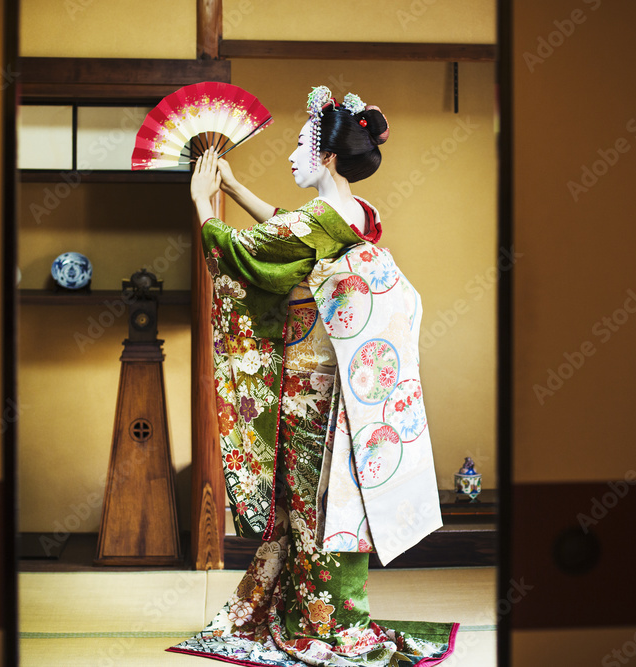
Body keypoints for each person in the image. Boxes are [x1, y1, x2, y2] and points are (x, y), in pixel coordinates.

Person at [169, 86, 456, 666]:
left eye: (301, 146)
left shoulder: (324, 218)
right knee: (325, 503)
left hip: (315, 384)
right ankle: (325, 612)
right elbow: (288, 231)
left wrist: (203, 205)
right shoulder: (354, 214)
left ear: (326, 156)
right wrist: (232, 187)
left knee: (312, 504)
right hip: (337, 377)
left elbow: (252, 253)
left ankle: (324, 621)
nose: (292, 156)